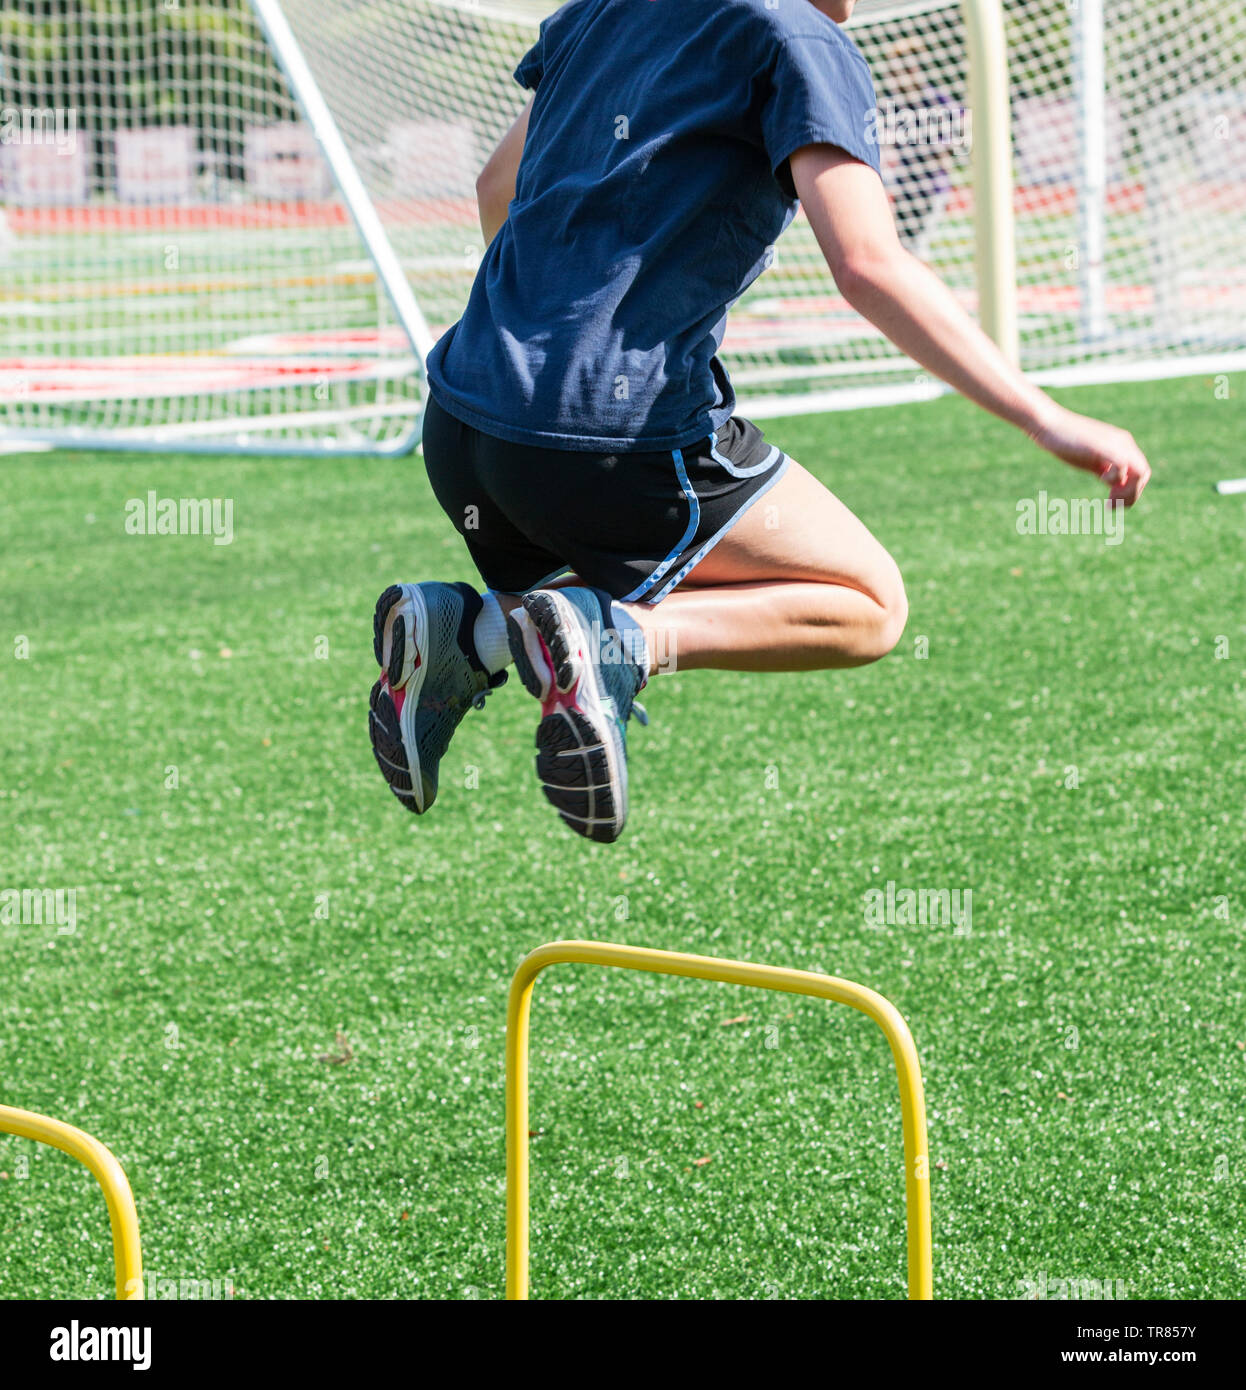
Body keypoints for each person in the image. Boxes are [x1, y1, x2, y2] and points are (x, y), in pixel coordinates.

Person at [368, 0, 1150, 844]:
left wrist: (536, 342)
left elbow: (496, 187)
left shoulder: (605, 10)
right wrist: (1047, 419)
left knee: (557, 591)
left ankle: (463, 637)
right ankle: (628, 640)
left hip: (460, 420)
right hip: (605, 432)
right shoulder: (797, 38)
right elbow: (867, 265)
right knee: (867, 601)